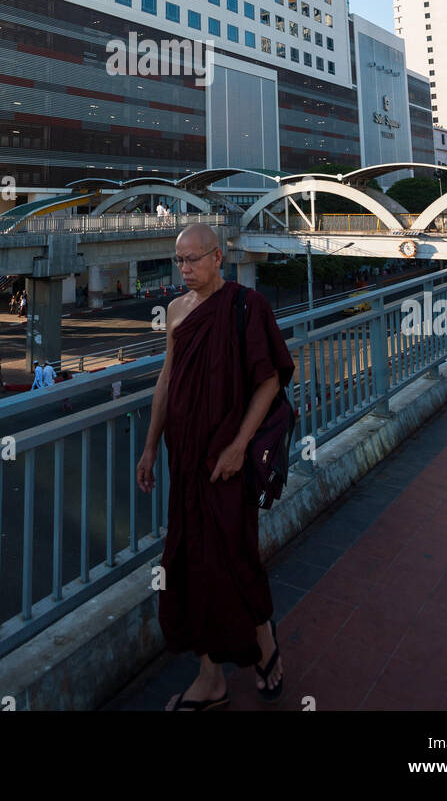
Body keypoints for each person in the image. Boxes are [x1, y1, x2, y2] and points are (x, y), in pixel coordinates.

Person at [137, 222, 293, 711]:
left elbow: (269, 382)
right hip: (185, 460)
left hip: (227, 462)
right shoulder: (178, 312)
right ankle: (211, 676)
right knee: (187, 564)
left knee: (234, 556)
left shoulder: (247, 307)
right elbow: (166, 379)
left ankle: (263, 642)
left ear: (218, 257)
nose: (185, 269)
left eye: (194, 259)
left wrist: (238, 447)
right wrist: (148, 447)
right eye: (178, 260)